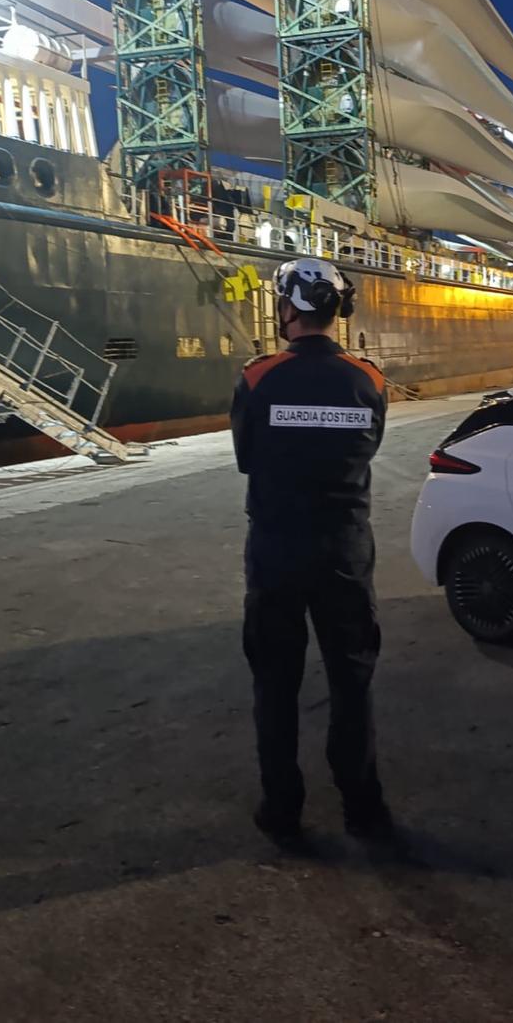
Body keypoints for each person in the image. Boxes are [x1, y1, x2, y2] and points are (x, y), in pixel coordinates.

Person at [230, 257, 393, 848]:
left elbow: (247, 457)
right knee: (352, 678)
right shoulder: (368, 379)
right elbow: (366, 447)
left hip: (277, 547)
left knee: (275, 681)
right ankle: (363, 808)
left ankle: (282, 808)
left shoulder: (257, 377)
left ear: (289, 308)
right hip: (345, 547)